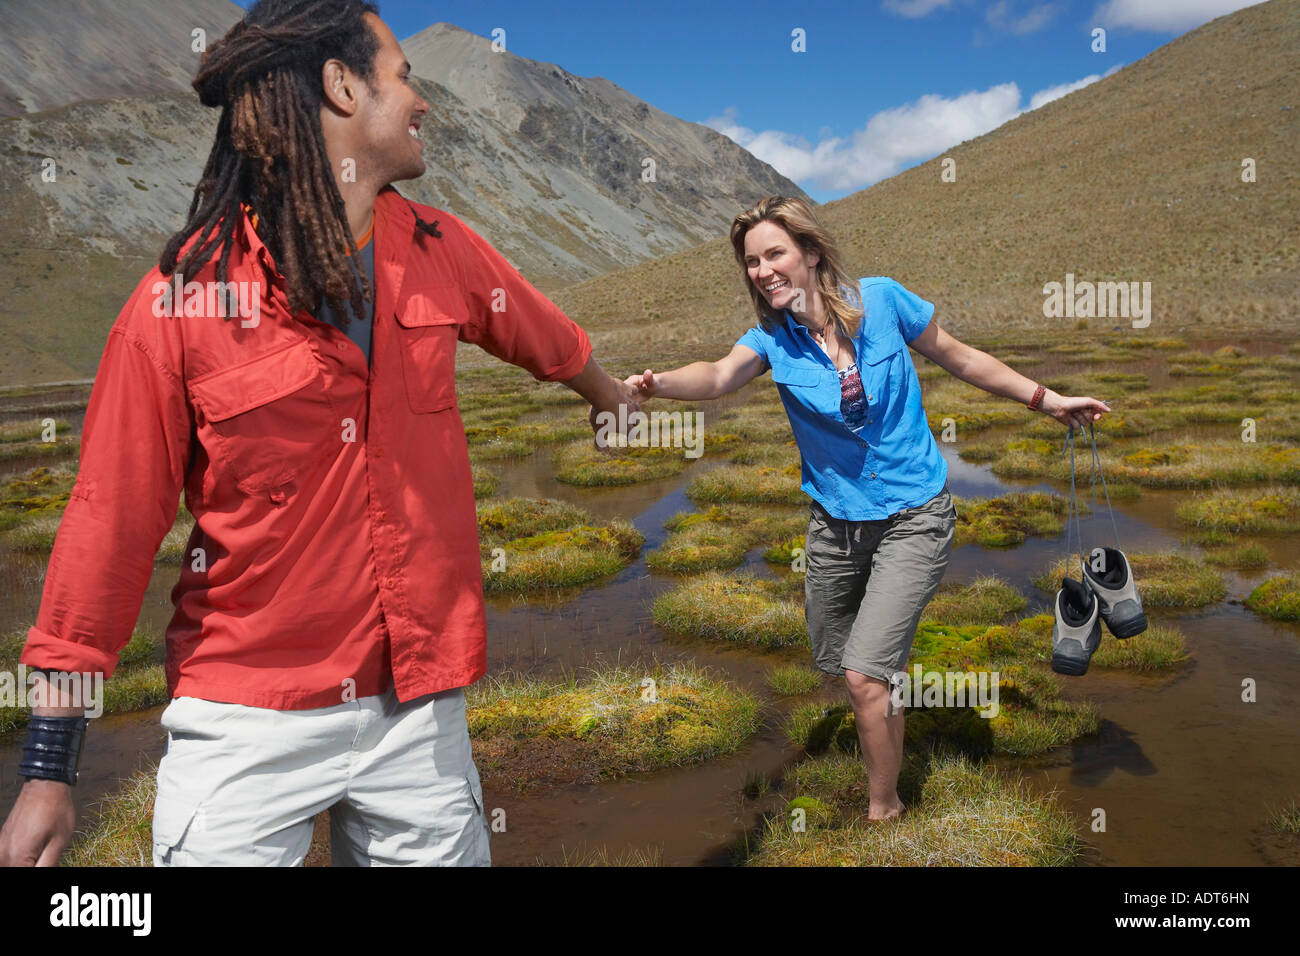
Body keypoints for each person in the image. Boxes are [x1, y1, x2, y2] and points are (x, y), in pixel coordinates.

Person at [0, 0, 639, 866]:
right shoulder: (179, 302)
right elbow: (105, 531)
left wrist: (607, 396)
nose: (423, 102)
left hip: (418, 710)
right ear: (342, 86)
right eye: (404, 76)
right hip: (243, 723)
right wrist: (48, 769)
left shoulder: (443, 248)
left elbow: (542, 334)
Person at [626, 195, 1109, 820]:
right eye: (751, 261)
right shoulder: (772, 339)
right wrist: (654, 385)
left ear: (811, 252)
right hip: (835, 527)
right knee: (840, 660)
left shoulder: (882, 300)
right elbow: (717, 377)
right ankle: (888, 686)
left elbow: (961, 357)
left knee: (863, 676)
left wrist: (1047, 399)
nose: (763, 269)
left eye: (775, 253)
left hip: (916, 514)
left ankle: (887, 814)